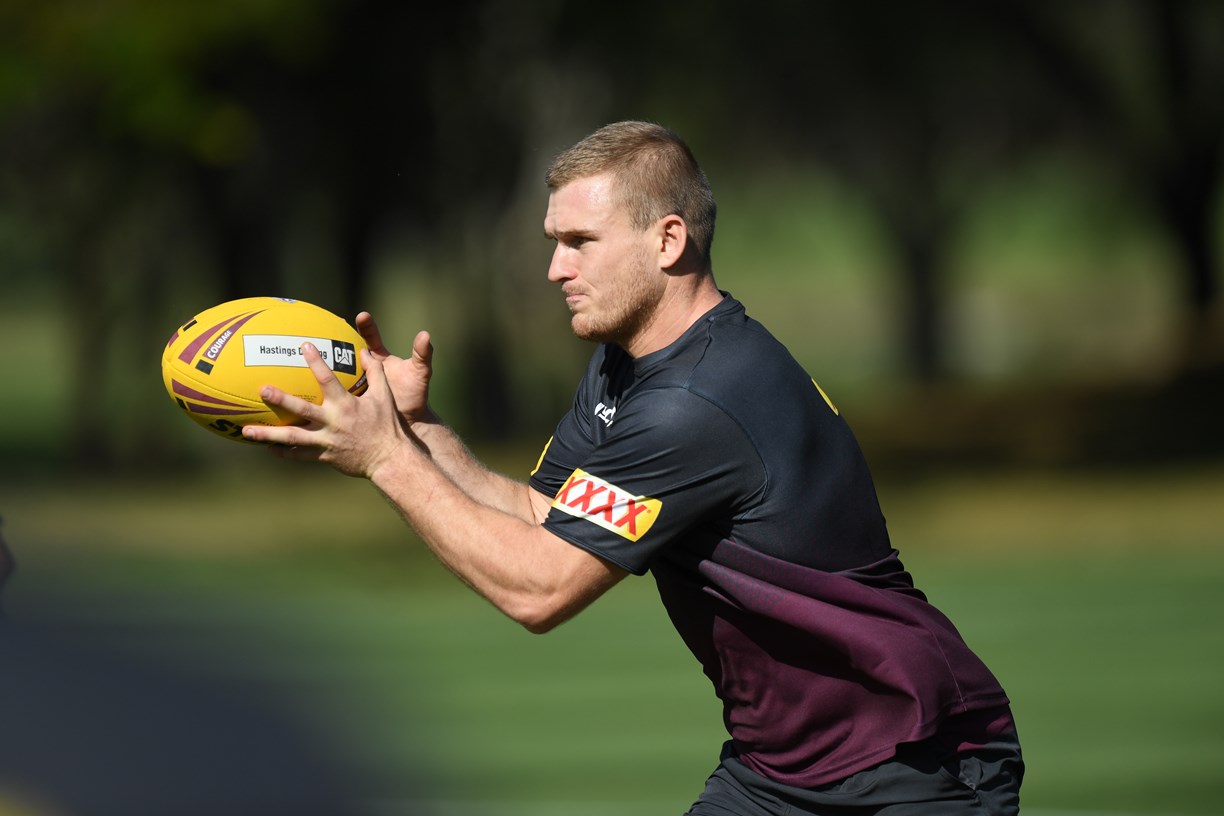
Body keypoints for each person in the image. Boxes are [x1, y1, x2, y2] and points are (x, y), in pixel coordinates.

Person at [242, 120, 1024, 814]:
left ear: (669, 241)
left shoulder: (698, 403)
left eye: (579, 242)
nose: (554, 269)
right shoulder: (629, 367)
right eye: (553, 241)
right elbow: (543, 516)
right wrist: (416, 430)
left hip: (915, 761)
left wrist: (383, 459)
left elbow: (539, 587)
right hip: (783, 772)